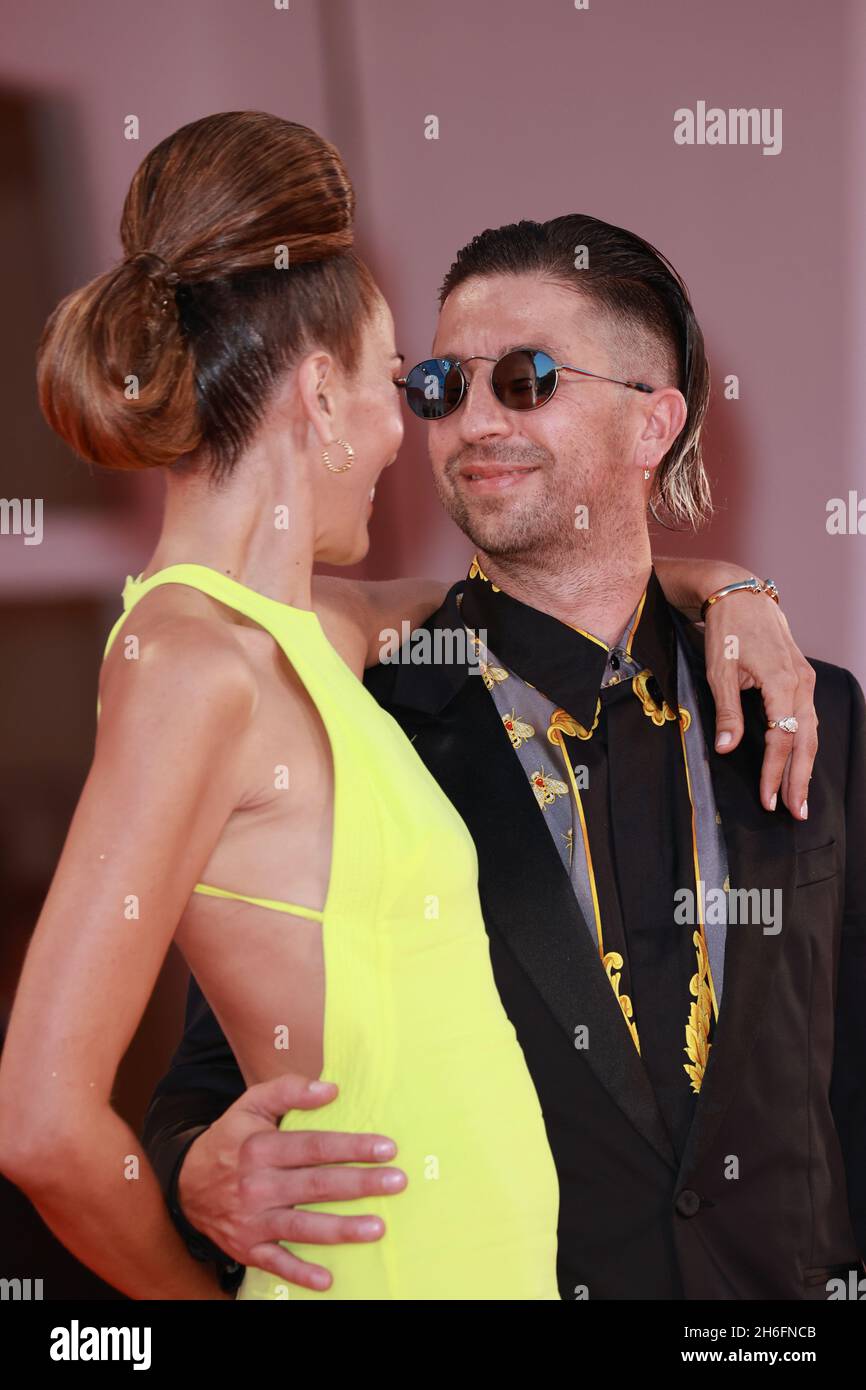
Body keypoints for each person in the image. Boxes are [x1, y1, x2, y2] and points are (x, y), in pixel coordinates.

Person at [0, 111, 823, 1300]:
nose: (418, 432)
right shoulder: (192, 662)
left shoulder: (307, 634)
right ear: (323, 397)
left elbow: (533, 587)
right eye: (409, 385)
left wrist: (728, 586)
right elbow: (40, 1121)